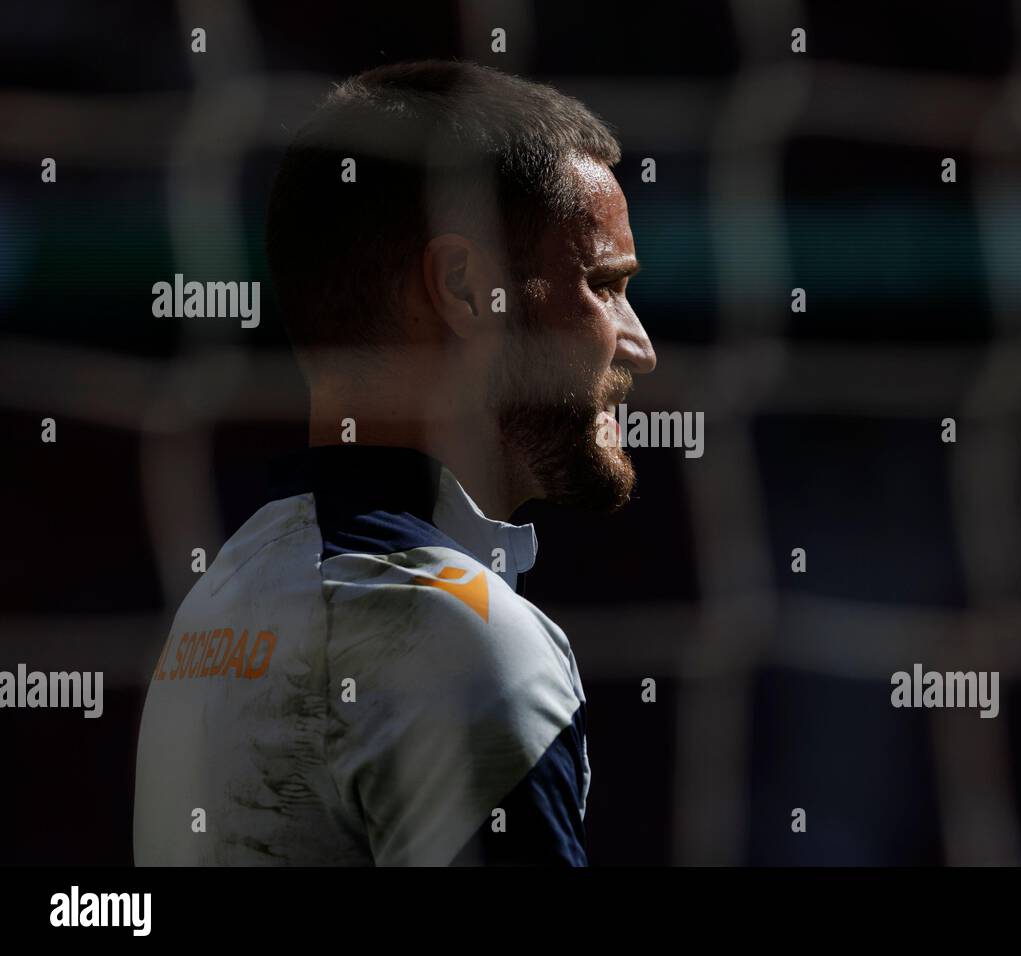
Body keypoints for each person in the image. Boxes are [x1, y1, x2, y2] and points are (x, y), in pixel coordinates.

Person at [132, 60, 656, 866]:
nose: (639, 347)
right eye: (604, 285)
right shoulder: (465, 639)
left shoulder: (218, 600)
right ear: (463, 288)